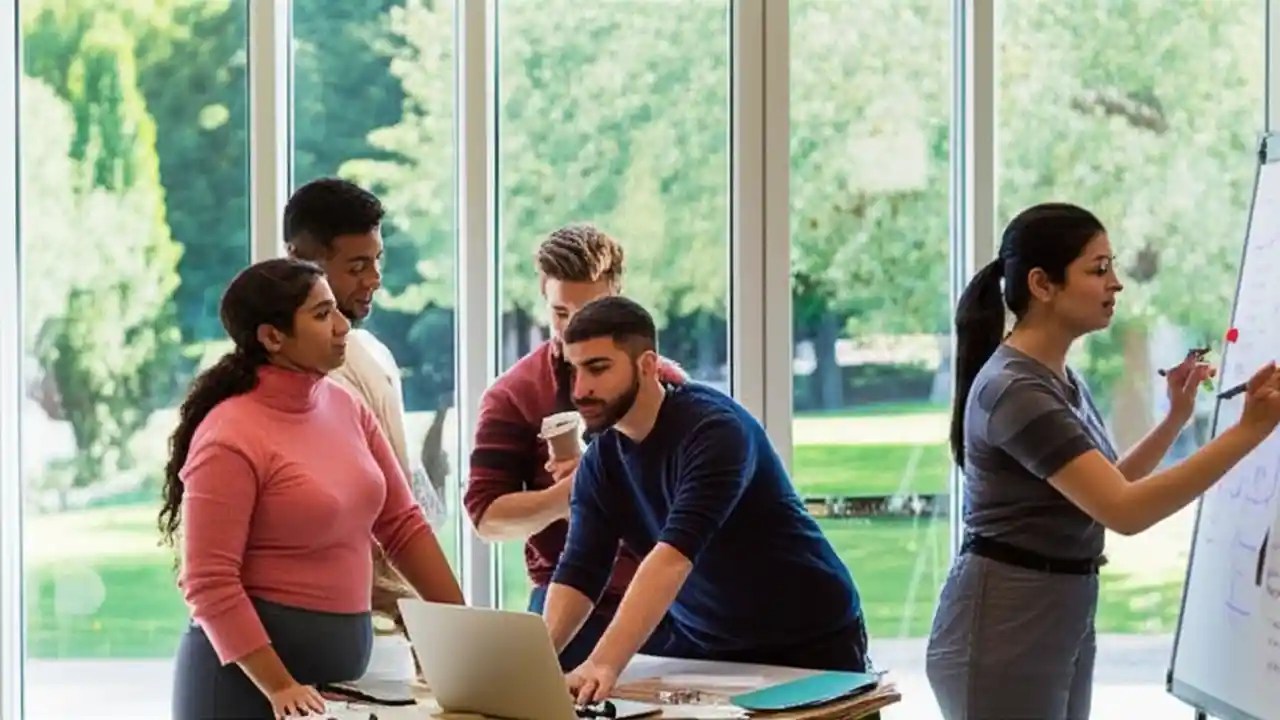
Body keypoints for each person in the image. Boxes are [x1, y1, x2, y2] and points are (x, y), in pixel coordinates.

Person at [925, 202, 1280, 720]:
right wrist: (1250, 431)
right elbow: (1125, 511)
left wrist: (1176, 417)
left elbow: (1106, 487)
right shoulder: (1014, 389)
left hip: (1057, 615)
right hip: (1004, 627)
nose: (1116, 284)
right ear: (1042, 284)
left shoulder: (1058, 377)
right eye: (1098, 269)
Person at [161, 258, 464, 720]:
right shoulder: (229, 436)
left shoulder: (345, 405)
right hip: (249, 691)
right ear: (272, 337)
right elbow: (207, 582)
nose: (343, 326)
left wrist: (467, 629)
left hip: (333, 691)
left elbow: (402, 525)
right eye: (322, 315)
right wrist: (279, 686)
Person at [542, 296, 871, 704]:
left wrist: (604, 663)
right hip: (710, 646)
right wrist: (533, 662)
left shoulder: (714, 431)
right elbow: (579, 572)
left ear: (646, 365)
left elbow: (671, 558)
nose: (580, 389)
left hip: (810, 638)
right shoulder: (601, 463)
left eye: (597, 368)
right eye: (573, 370)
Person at [464, 224, 686, 671]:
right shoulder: (514, 395)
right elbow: (487, 519)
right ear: (543, 300)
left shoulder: (665, 385)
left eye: (592, 312)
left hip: (663, 595)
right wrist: (566, 498)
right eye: (561, 314)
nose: (575, 330)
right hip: (565, 594)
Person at [284, 177, 447, 643]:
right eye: (357, 266)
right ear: (300, 259)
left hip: (401, 617)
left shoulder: (374, 354)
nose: (374, 279)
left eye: (376, 261)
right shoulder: (295, 377)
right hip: (337, 621)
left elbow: (408, 501)